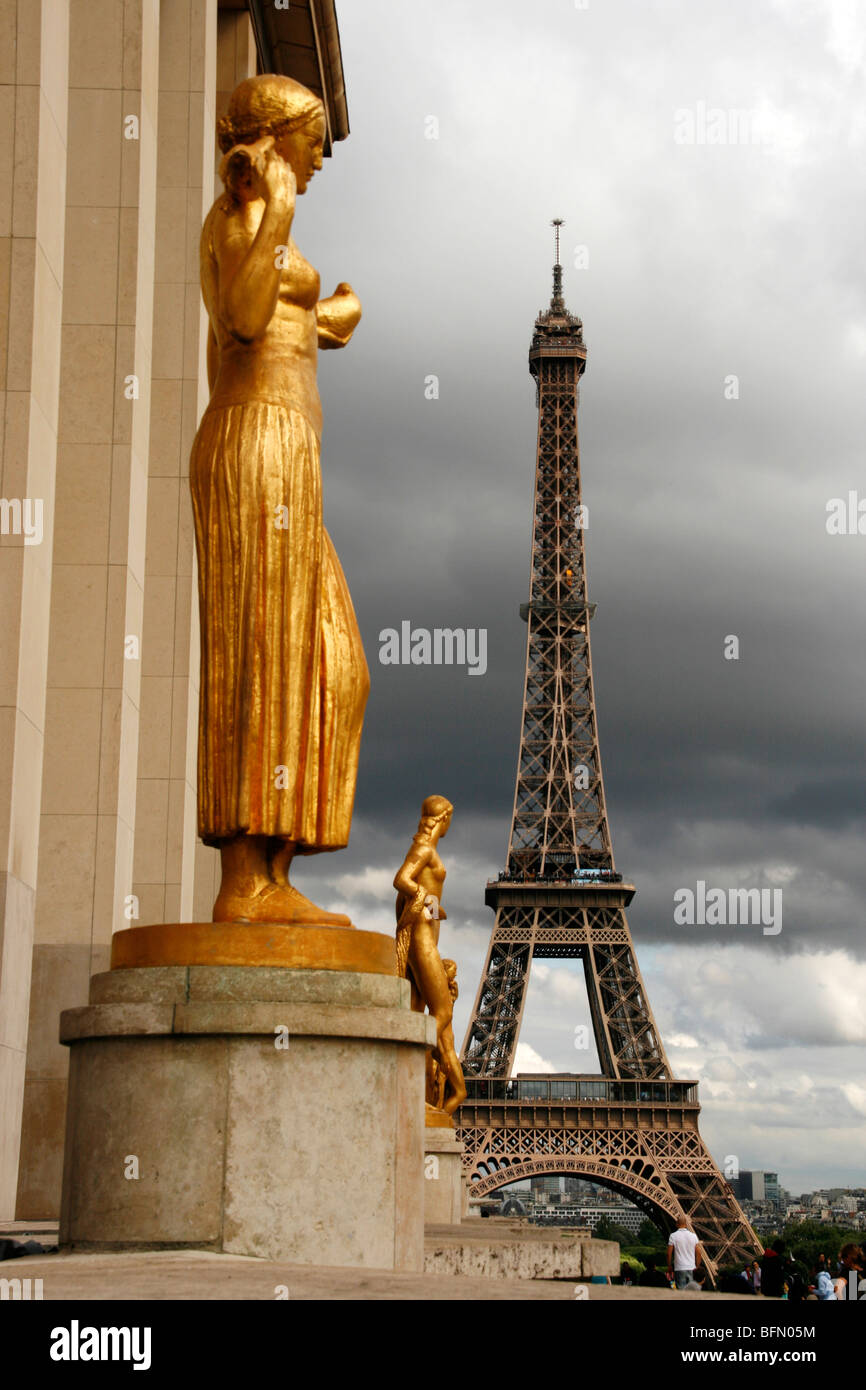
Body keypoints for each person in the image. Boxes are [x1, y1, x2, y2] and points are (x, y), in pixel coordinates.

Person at [190, 74, 369, 923]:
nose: (321, 155)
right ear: (276, 137)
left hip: (296, 450)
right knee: (262, 654)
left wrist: (338, 311)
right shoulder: (241, 215)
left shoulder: (264, 222)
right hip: (255, 440)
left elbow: (298, 324)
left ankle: (277, 868)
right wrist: (282, 216)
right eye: (312, 136)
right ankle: (243, 885)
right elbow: (246, 314)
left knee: (335, 669)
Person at [667, 1217, 703, 1289]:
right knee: (691, 1291)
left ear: (677, 1224)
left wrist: (669, 1266)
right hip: (691, 1267)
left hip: (679, 1268)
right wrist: (697, 1266)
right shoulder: (693, 1236)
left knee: (681, 1291)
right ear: (686, 1225)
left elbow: (668, 1254)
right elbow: (699, 1253)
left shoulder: (673, 1236)